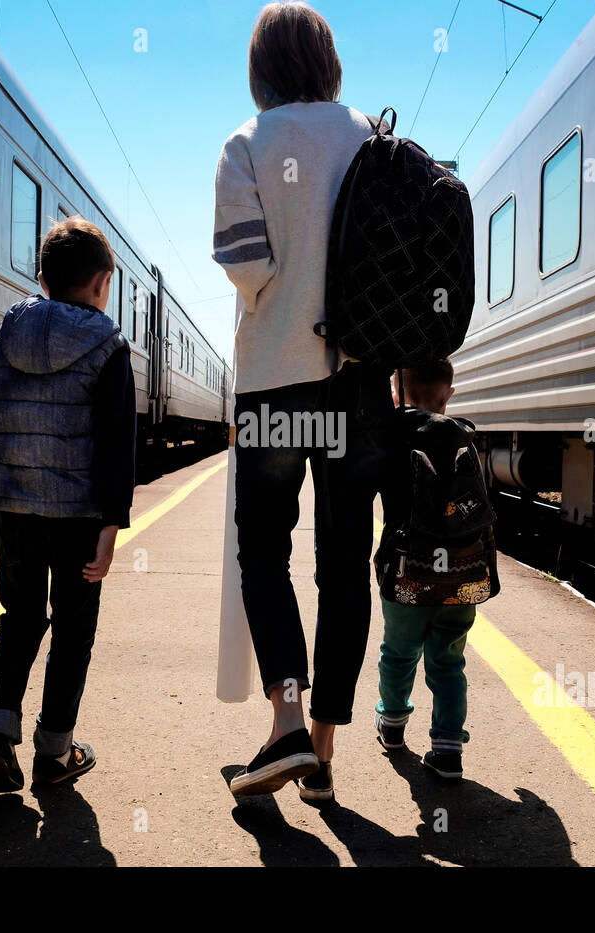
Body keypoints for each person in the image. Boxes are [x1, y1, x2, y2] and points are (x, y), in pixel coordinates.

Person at [213, 1, 392, 801]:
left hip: (276, 380)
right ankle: (322, 748)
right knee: (343, 563)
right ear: (328, 62)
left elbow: (248, 268)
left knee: (265, 555)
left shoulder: (246, 145)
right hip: (358, 381)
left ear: (262, 69)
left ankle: (286, 720)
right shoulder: (371, 139)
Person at [0, 217, 136, 793]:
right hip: (81, 516)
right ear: (103, 282)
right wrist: (114, 522)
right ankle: (55, 752)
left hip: (17, 511)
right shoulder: (108, 346)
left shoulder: (10, 331)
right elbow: (116, 442)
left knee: (19, 621)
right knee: (73, 629)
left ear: (42, 278)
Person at [374, 360, 485, 780]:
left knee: (398, 653)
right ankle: (448, 748)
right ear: (448, 394)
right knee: (449, 661)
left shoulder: (395, 437)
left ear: (397, 396)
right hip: (463, 575)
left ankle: (393, 726)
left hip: (408, 573)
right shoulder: (466, 438)